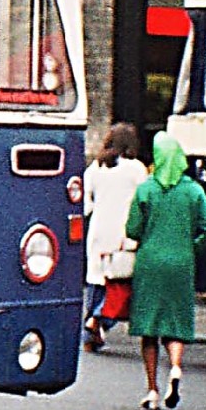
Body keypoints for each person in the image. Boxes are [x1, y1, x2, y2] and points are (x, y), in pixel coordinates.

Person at [125, 132, 206, 410]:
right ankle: (176, 367)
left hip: (150, 263)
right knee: (175, 324)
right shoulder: (193, 191)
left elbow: (132, 229)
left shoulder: (147, 189)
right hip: (181, 263)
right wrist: (193, 248)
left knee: (149, 328)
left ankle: (152, 390)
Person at [81, 122, 146, 351]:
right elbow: (144, 201)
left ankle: (90, 337)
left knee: (96, 283)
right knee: (120, 286)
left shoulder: (95, 168)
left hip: (98, 231)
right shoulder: (136, 169)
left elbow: (85, 205)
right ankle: (98, 319)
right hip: (122, 233)